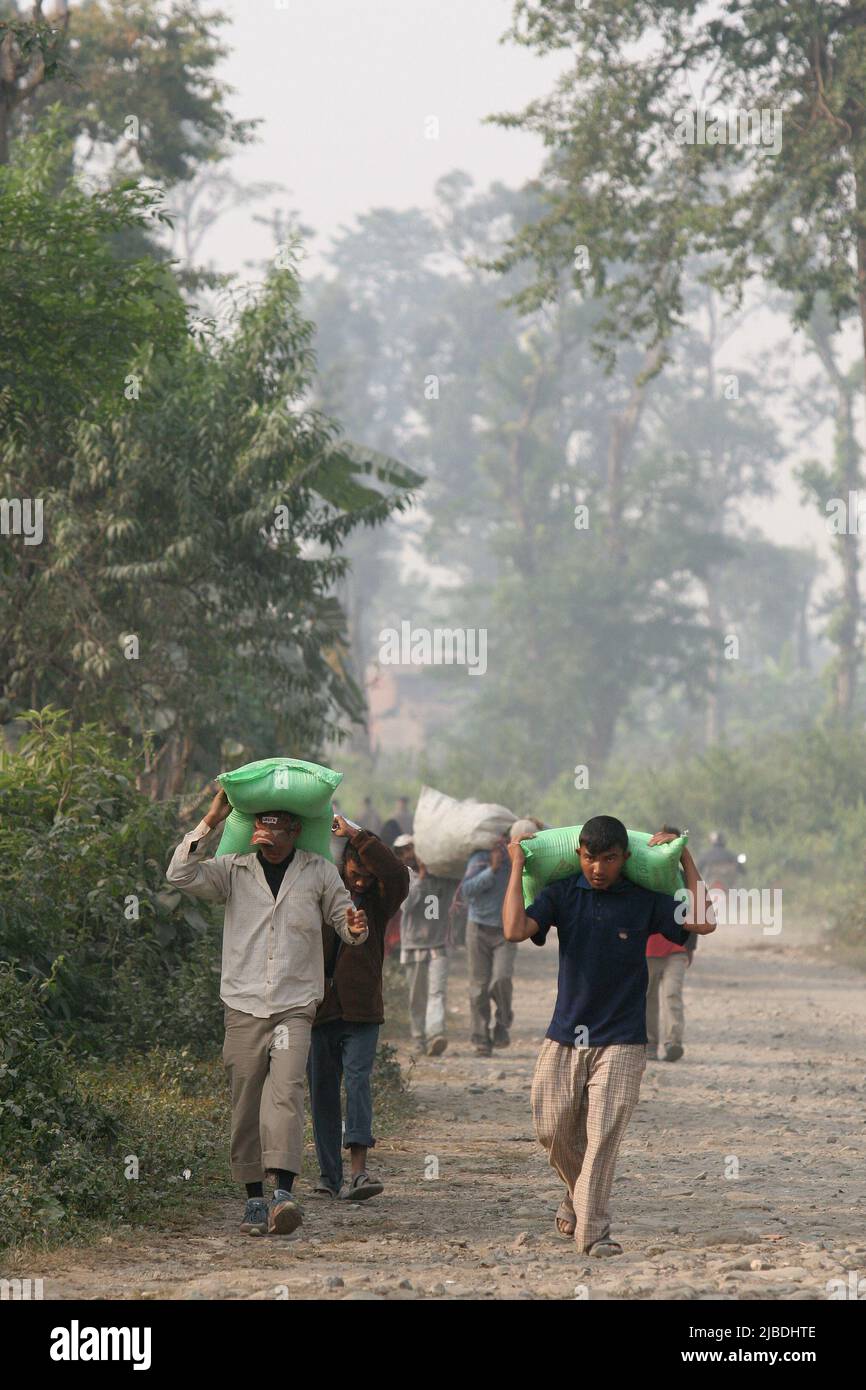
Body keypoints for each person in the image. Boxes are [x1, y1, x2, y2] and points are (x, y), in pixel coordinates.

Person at [503, 814, 715, 1257]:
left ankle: (595, 1231)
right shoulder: (562, 894)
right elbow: (514, 930)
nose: (598, 868)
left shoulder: (643, 900)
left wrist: (686, 859)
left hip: (623, 1038)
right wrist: (516, 865)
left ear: (626, 858)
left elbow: (702, 923)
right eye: (590, 858)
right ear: (578, 854)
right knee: (551, 1130)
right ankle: (576, 1192)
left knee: (601, 1138)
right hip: (565, 1034)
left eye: (609, 859)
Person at [166, 788, 368, 1238]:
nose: (268, 837)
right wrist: (210, 820)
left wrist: (355, 927)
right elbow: (179, 874)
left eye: (277, 830)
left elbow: (345, 922)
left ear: (294, 831)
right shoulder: (232, 870)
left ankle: (283, 1195)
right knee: (246, 1102)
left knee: (287, 1092)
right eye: (262, 828)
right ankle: (253, 1198)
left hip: (294, 1006)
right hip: (243, 1004)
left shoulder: (318, 872)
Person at [307, 814, 409, 1201]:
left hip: (363, 1010)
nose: (360, 881)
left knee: (357, 1083)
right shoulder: (321, 890)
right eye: (355, 873)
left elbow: (396, 874)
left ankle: (359, 1173)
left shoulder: (379, 901)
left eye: (366, 875)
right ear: (343, 865)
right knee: (322, 1092)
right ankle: (328, 1176)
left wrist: (357, 834)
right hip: (319, 1009)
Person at [461, 817, 537, 1056]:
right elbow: (466, 890)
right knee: (479, 987)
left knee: (502, 979)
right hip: (478, 928)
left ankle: (502, 1023)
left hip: (506, 931)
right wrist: (492, 870)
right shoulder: (483, 858)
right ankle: (481, 1038)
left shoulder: (529, 861)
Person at [646, 825, 697, 1062]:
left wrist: (690, 947)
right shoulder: (644, 875)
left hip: (676, 950)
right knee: (647, 998)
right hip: (647, 949)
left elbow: (697, 913)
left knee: (672, 996)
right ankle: (649, 1043)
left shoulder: (686, 877)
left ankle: (673, 1043)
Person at [400, 856, 458, 1057]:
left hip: (438, 945)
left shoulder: (444, 879)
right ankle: (418, 1038)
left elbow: (459, 879)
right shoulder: (407, 876)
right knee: (417, 996)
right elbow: (405, 906)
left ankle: (435, 1034)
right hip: (413, 946)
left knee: (437, 992)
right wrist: (422, 880)